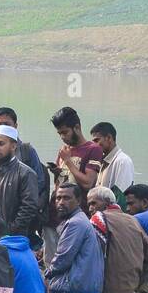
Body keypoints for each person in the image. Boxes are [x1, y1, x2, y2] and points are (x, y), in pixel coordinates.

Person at [44, 106, 104, 264]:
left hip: (76, 216)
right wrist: (58, 172)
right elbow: (62, 182)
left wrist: (69, 161)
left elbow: (87, 182)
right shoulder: (65, 150)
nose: (62, 137)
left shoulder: (93, 149)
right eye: (59, 134)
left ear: (77, 128)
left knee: (70, 260)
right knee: (51, 261)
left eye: (65, 132)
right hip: (54, 213)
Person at [0, 106, 47, 218]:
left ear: (15, 126)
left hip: (15, 219)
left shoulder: (27, 152)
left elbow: (38, 183)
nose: (2, 127)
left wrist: (17, 213)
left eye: (6, 124)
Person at [86, 185, 148, 293]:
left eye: (94, 203)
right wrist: (138, 283)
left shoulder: (98, 218)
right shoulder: (132, 219)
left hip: (107, 292)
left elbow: (90, 257)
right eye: (89, 205)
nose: (90, 208)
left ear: (107, 202)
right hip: (129, 291)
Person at [43, 182, 103, 293]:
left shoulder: (75, 223)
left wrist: (46, 275)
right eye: (58, 198)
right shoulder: (79, 219)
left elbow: (62, 259)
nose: (60, 202)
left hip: (75, 292)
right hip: (83, 288)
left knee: (34, 280)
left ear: (79, 200)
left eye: (66, 198)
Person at [90, 122, 134, 210]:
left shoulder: (122, 161)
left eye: (97, 140)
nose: (94, 145)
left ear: (109, 138)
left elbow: (122, 198)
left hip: (114, 219)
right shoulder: (103, 161)